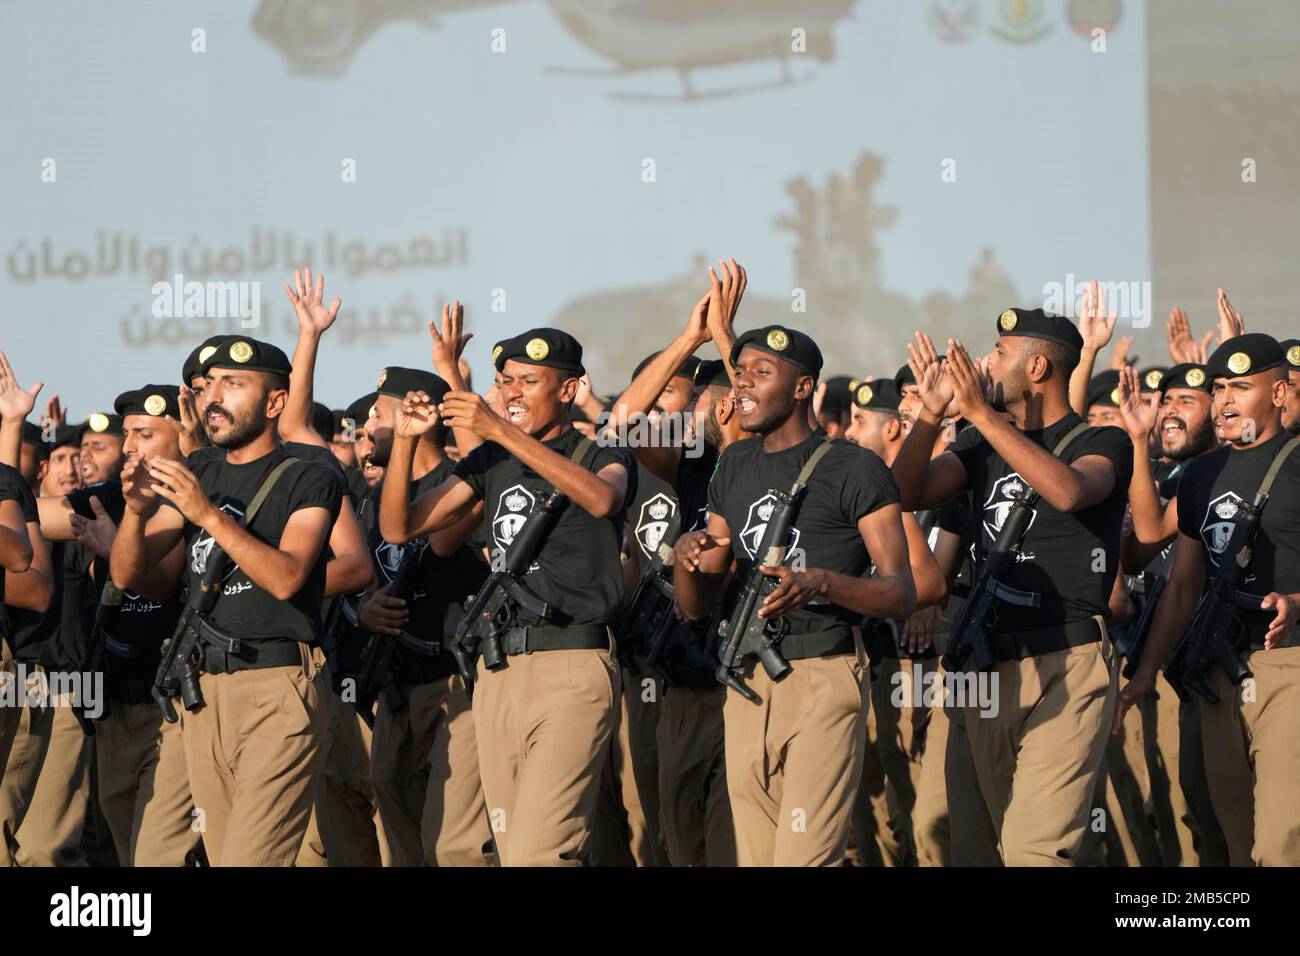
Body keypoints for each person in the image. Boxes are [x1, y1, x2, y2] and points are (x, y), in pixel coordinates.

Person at [380, 327, 634, 866]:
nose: (513, 391)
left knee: (542, 853)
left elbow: (602, 499)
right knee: (512, 848)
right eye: (504, 382)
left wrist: (498, 429)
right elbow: (401, 527)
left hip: (571, 662)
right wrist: (404, 441)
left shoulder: (599, 452)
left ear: (569, 391)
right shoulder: (489, 462)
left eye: (529, 381)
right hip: (497, 673)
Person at [892, 299, 1132, 866]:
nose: (984, 363)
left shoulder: (1103, 443)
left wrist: (979, 415)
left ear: (1038, 369)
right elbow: (905, 495)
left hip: (1066, 661)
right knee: (973, 845)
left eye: (999, 354)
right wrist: (930, 417)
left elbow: (1069, 491)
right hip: (988, 662)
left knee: (1034, 850)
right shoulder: (980, 446)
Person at [674, 323, 916, 866]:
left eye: (761, 373)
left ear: (804, 387)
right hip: (746, 678)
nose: (742, 386)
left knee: (804, 858)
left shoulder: (855, 467)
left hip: (823, 676)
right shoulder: (733, 464)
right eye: (739, 374)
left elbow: (901, 591)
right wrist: (686, 555)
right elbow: (695, 604)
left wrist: (824, 582)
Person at [110, 336, 343, 866]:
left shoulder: (309, 473)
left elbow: (287, 578)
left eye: (233, 384)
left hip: (276, 688)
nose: (214, 397)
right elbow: (127, 574)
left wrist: (210, 517)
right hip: (204, 692)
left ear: (275, 402)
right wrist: (134, 512)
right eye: (209, 384)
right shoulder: (205, 474)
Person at [1115, 333, 1300, 866]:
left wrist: (1295, 601)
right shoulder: (1202, 471)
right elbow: (1175, 575)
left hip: (1286, 665)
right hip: (1219, 670)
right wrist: (1148, 670)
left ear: (1281, 393)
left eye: (1241, 387)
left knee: (1281, 840)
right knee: (1231, 837)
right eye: (1219, 388)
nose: (1225, 400)